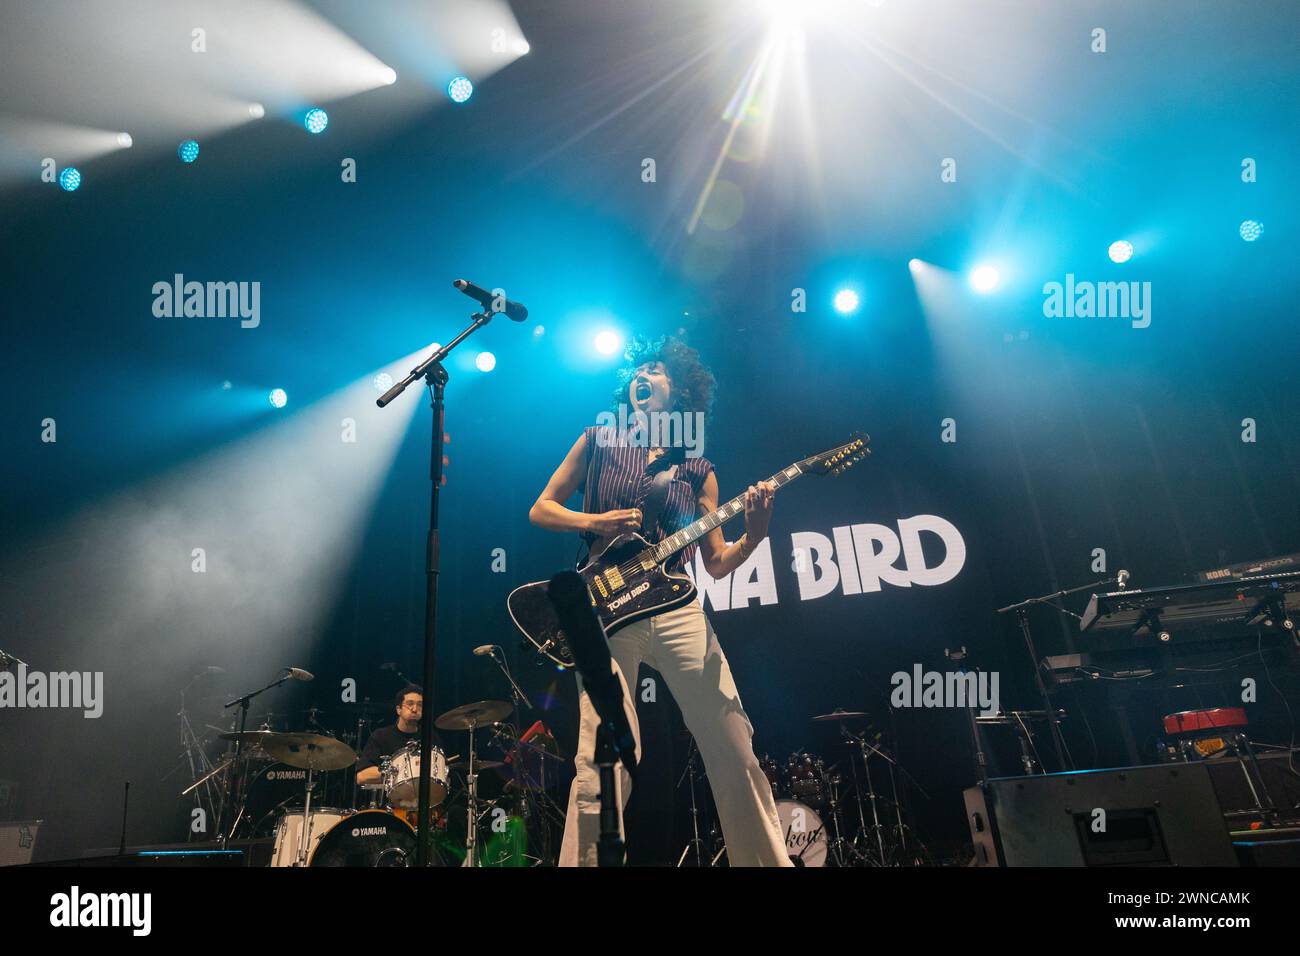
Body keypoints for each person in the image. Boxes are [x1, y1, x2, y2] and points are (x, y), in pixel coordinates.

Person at [528, 336, 792, 866]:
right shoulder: (599, 438)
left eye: (657, 368)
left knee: (731, 742)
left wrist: (756, 533)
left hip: (675, 605)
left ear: (681, 389)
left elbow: (716, 561)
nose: (644, 375)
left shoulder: (698, 468)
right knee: (603, 754)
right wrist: (594, 521)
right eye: (639, 368)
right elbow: (542, 508)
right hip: (606, 610)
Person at [355, 685, 444, 788]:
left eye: (420, 705)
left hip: (424, 800)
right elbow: (361, 777)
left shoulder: (431, 737)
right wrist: (399, 772)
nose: (415, 709)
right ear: (399, 709)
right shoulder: (381, 736)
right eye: (410, 704)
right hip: (390, 801)